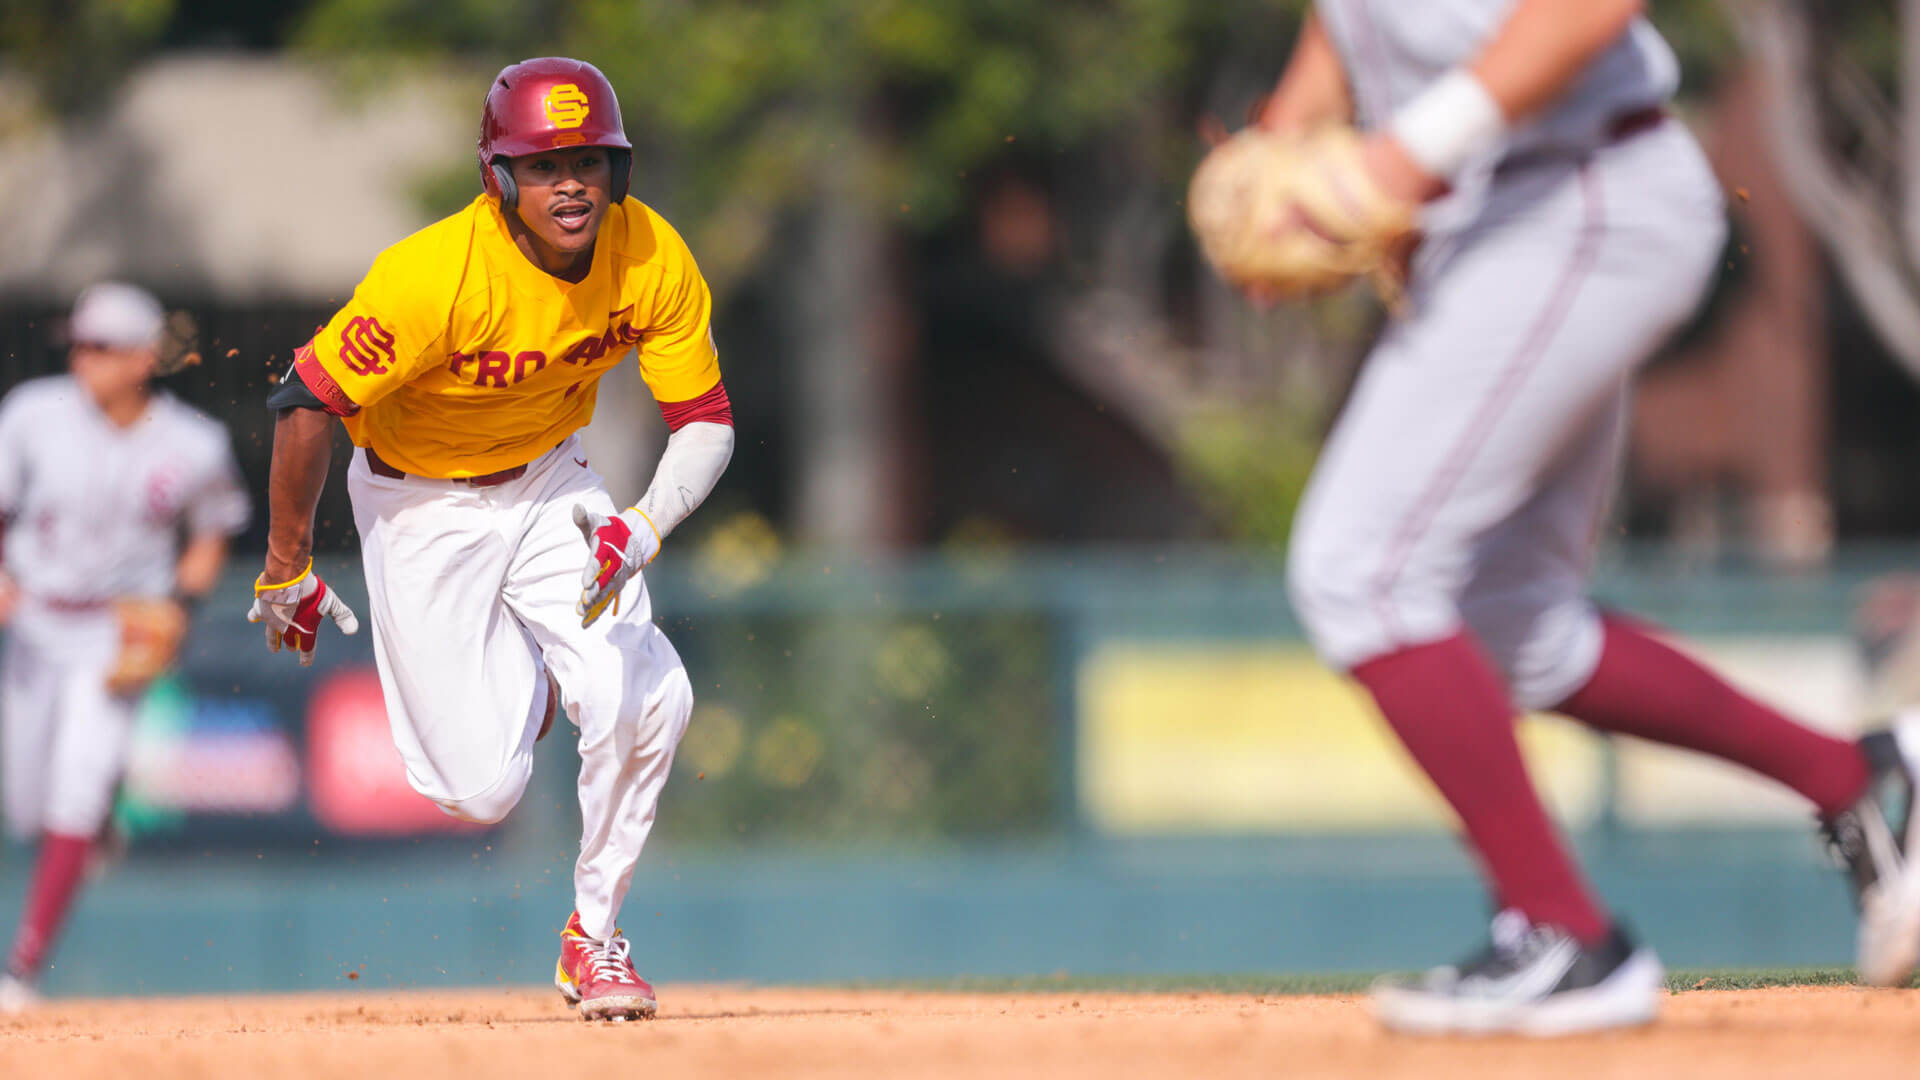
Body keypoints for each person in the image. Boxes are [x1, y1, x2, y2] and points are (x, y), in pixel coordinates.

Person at [1260, 0, 1920, 1035]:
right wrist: (1281, 163)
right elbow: (1346, 30)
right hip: (1509, 220)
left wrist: (1396, 161)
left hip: (1575, 195)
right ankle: (1861, 778)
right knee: (1509, 621)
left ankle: (1565, 935)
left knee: (1366, 573)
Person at [249, 57, 733, 1022]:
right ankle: (547, 668)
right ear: (498, 177)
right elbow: (305, 402)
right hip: (418, 505)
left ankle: (593, 938)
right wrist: (286, 568)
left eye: (590, 161)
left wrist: (641, 525)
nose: (572, 185)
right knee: (477, 793)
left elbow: (706, 418)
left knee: (649, 696)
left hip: (554, 481)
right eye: (545, 164)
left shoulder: (649, 254)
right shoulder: (433, 276)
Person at [0, 283, 249, 1012]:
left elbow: (213, 528)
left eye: (102, 345)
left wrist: (180, 606)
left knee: (73, 786)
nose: (83, 356)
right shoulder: (31, 415)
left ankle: (21, 970)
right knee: (26, 803)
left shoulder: (193, 442)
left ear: (144, 358)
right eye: (78, 342)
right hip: (38, 623)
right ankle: (94, 811)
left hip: (118, 631)